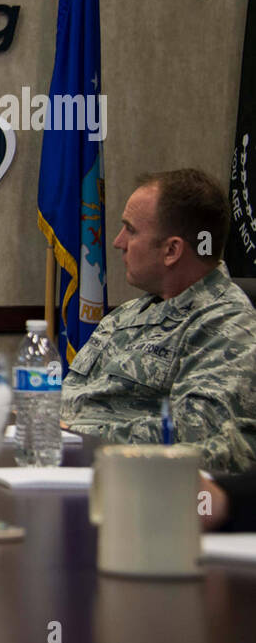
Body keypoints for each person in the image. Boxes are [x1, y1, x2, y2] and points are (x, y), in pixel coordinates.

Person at [62, 168, 256, 472]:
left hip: (139, 487)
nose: (118, 242)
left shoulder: (226, 325)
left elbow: (197, 435)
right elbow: (73, 400)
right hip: (69, 468)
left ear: (171, 250)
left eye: (131, 230)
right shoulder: (127, 314)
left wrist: (74, 436)